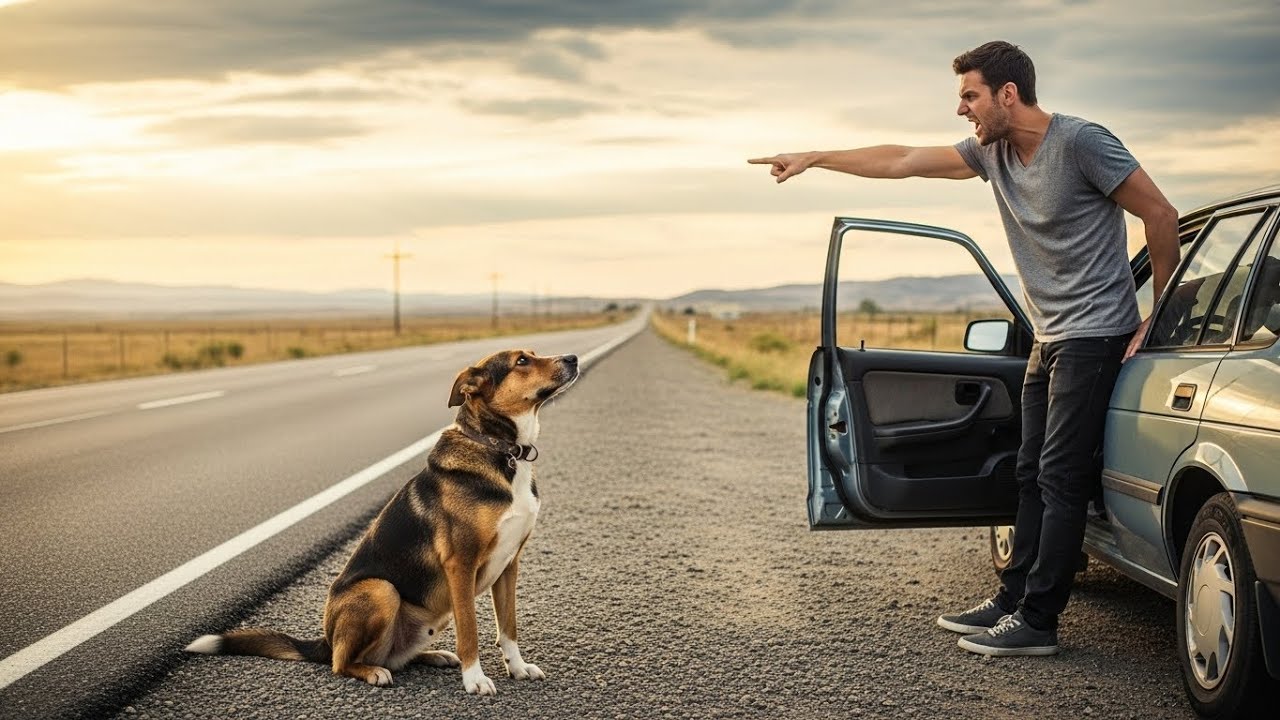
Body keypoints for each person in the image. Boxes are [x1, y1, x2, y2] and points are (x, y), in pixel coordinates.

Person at [749, 40, 1180, 657]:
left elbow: (1160, 215)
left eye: (969, 95)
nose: (962, 110)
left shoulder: (1082, 142)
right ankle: (1012, 598)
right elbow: (900, 159)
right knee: (1028, 471)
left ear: (1008, 94)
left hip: (1095, 334)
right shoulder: (991, 152)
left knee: (1059, 475)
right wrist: (816, 157)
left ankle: (1039, 621)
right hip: (1049, 335)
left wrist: (1155, 318)